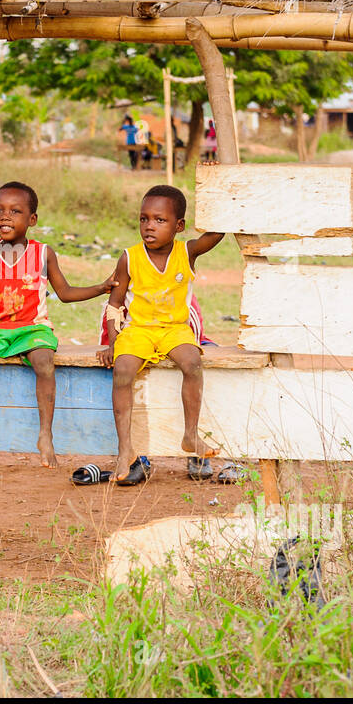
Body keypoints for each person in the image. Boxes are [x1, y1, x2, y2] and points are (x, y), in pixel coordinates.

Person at [0, 182, 114, 470]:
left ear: (32, 220)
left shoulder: (43, 254)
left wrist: (101, 287)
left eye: (15, 211)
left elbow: (65, 293)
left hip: (33, 328)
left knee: (44, 363)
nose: (5, 217)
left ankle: (45, 435)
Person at [98, 185, 224, 486]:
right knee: (123, 370)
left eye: (160, 220)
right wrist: (112, 343)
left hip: (174, 329)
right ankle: (125, 447)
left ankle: (191, 435)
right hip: (138, 330)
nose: (149, 226)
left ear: (179, 226)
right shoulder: (129, 258)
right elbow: (115, 304)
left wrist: (216, 184)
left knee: (193, 362)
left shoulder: (187, 251)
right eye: (144, 219)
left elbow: (217, 233)